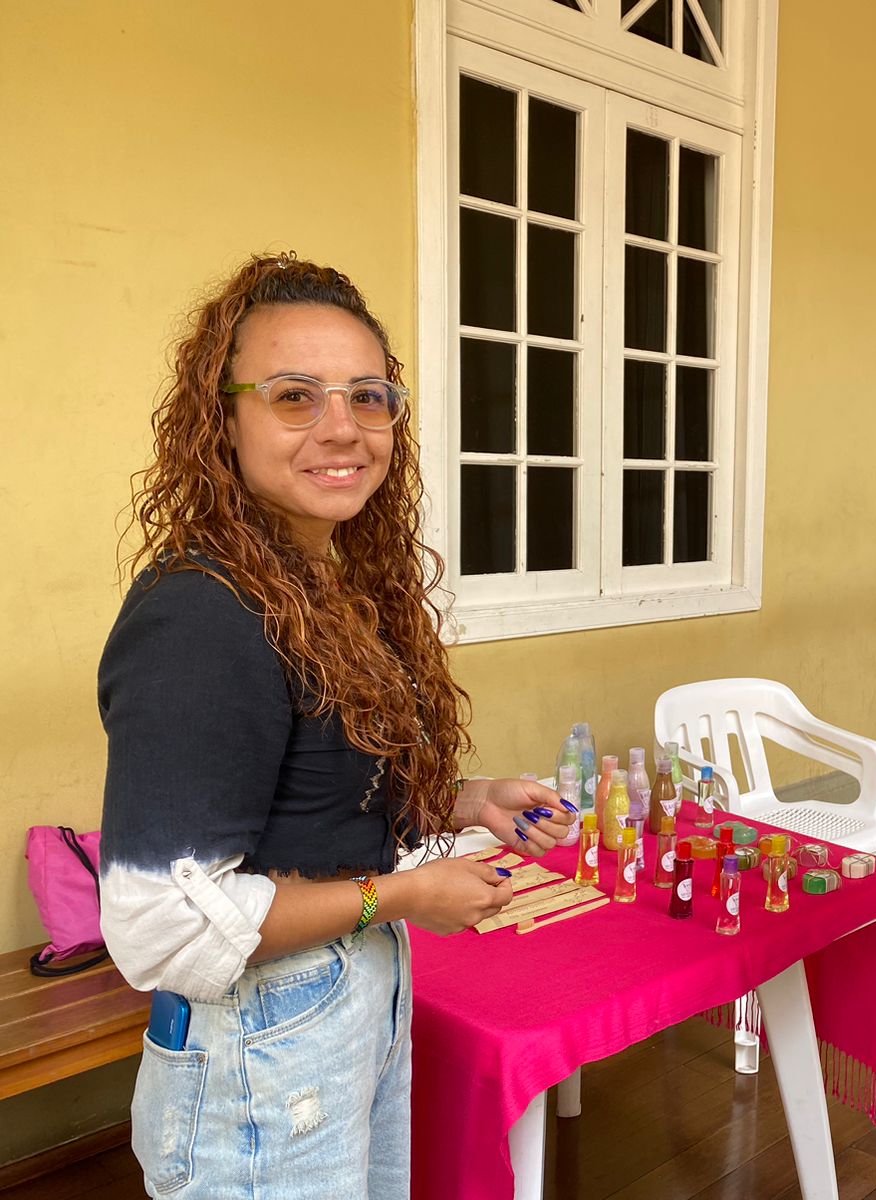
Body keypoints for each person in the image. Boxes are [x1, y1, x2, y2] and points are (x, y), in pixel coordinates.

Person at [98, 253, 574, 1198]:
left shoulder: (322, 585)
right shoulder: (199, 615)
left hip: (345, 1011)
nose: (342, 427)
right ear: (221, 419)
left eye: (368, 395)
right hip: (259, 1051)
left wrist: (467, 800)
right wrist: (405, 895)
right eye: (293, 396)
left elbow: (308, 795)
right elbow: (160, 927)